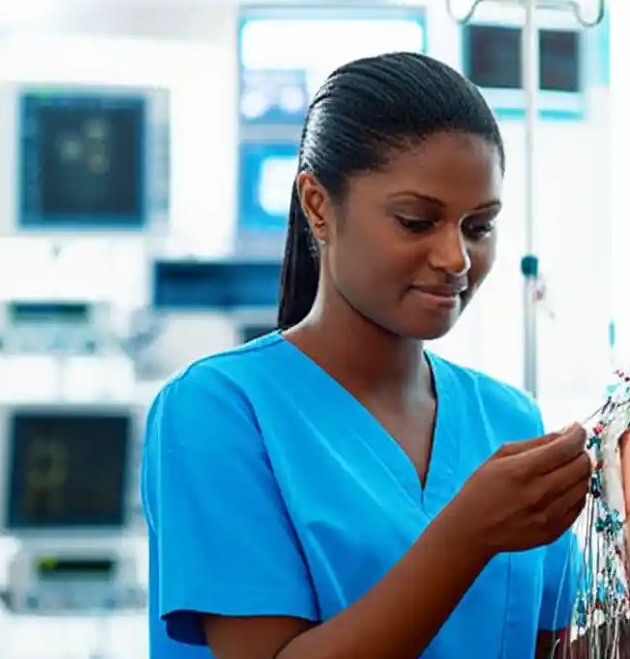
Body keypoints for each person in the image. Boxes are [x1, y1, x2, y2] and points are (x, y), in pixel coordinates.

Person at [140, 52, 592, 659]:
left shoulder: (508, 420)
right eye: (416, 221)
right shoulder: (219, 411)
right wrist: (467, 535)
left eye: (478, 227)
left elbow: (565, 644)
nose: (456, 258)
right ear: (319, 205)